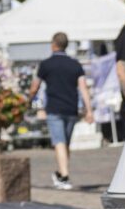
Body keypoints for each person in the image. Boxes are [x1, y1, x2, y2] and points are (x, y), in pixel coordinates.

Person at [36, 31, 93, 190]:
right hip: (71, 108)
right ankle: (62, 174)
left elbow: (35, 86)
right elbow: (83, 88)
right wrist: (89, 110)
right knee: (64, 142)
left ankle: (64, 176)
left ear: (53, 44)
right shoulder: (75, 65)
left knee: (60, 142)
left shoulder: (46, 64)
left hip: (54, 108)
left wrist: (29, 100)